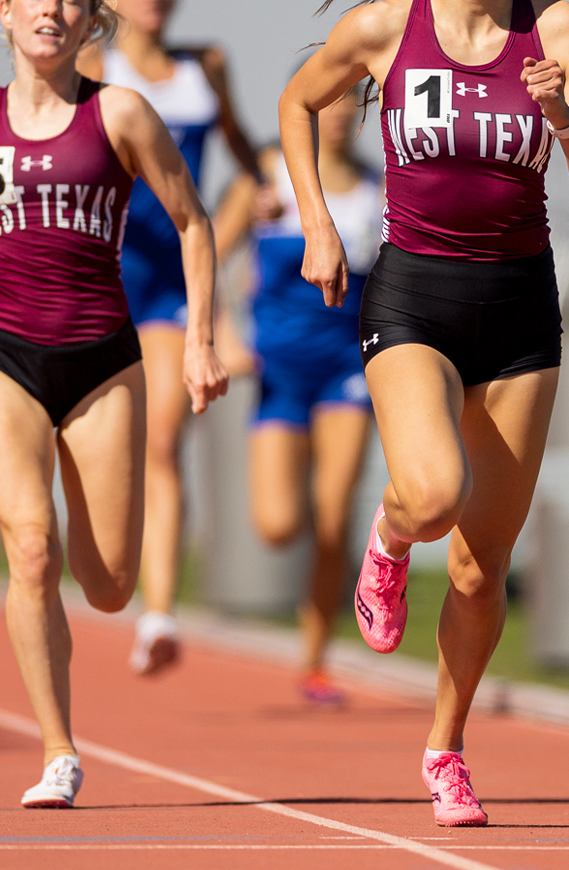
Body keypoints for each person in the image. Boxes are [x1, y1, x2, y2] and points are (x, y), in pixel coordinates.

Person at [278, 0, 569, 826]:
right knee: (432, 496)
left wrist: (564, 123)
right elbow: (297, 102)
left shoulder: (561, 30)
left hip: (520, 311)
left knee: (480, 568)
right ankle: (390, 538)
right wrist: (315, 223)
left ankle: (445, 748)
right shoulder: (386, 28)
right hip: (414, 299)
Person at [0, 0, 227, 808]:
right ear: (6, 13)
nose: (51, 10)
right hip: (1, 354)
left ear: (91, 23)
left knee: (108, 586)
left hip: (103, 360)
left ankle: (90, 577)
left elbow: (193, 222)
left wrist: (198, 340)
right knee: (32, 550)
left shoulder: (122, 116)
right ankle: (59, 751)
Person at [78, 0, 259, 676]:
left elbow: (244, 151)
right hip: (103, 274)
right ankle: (96, 558)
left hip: (172, 288)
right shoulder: (95, 67)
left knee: (161, 444)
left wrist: (263, 196)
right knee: (101, 444)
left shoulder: (204, 65)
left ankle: (158, 614)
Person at [221, 87, 383, 705]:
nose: (339, 114)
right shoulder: (267, 174)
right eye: (327, 102)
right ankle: (308, 511)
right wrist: (220, 333)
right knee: (279, 525)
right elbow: (203, 252)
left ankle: (315, 662)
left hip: (347, 365)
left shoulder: (377, 189)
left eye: (352, 103)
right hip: (279, 370)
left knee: (336, 516)